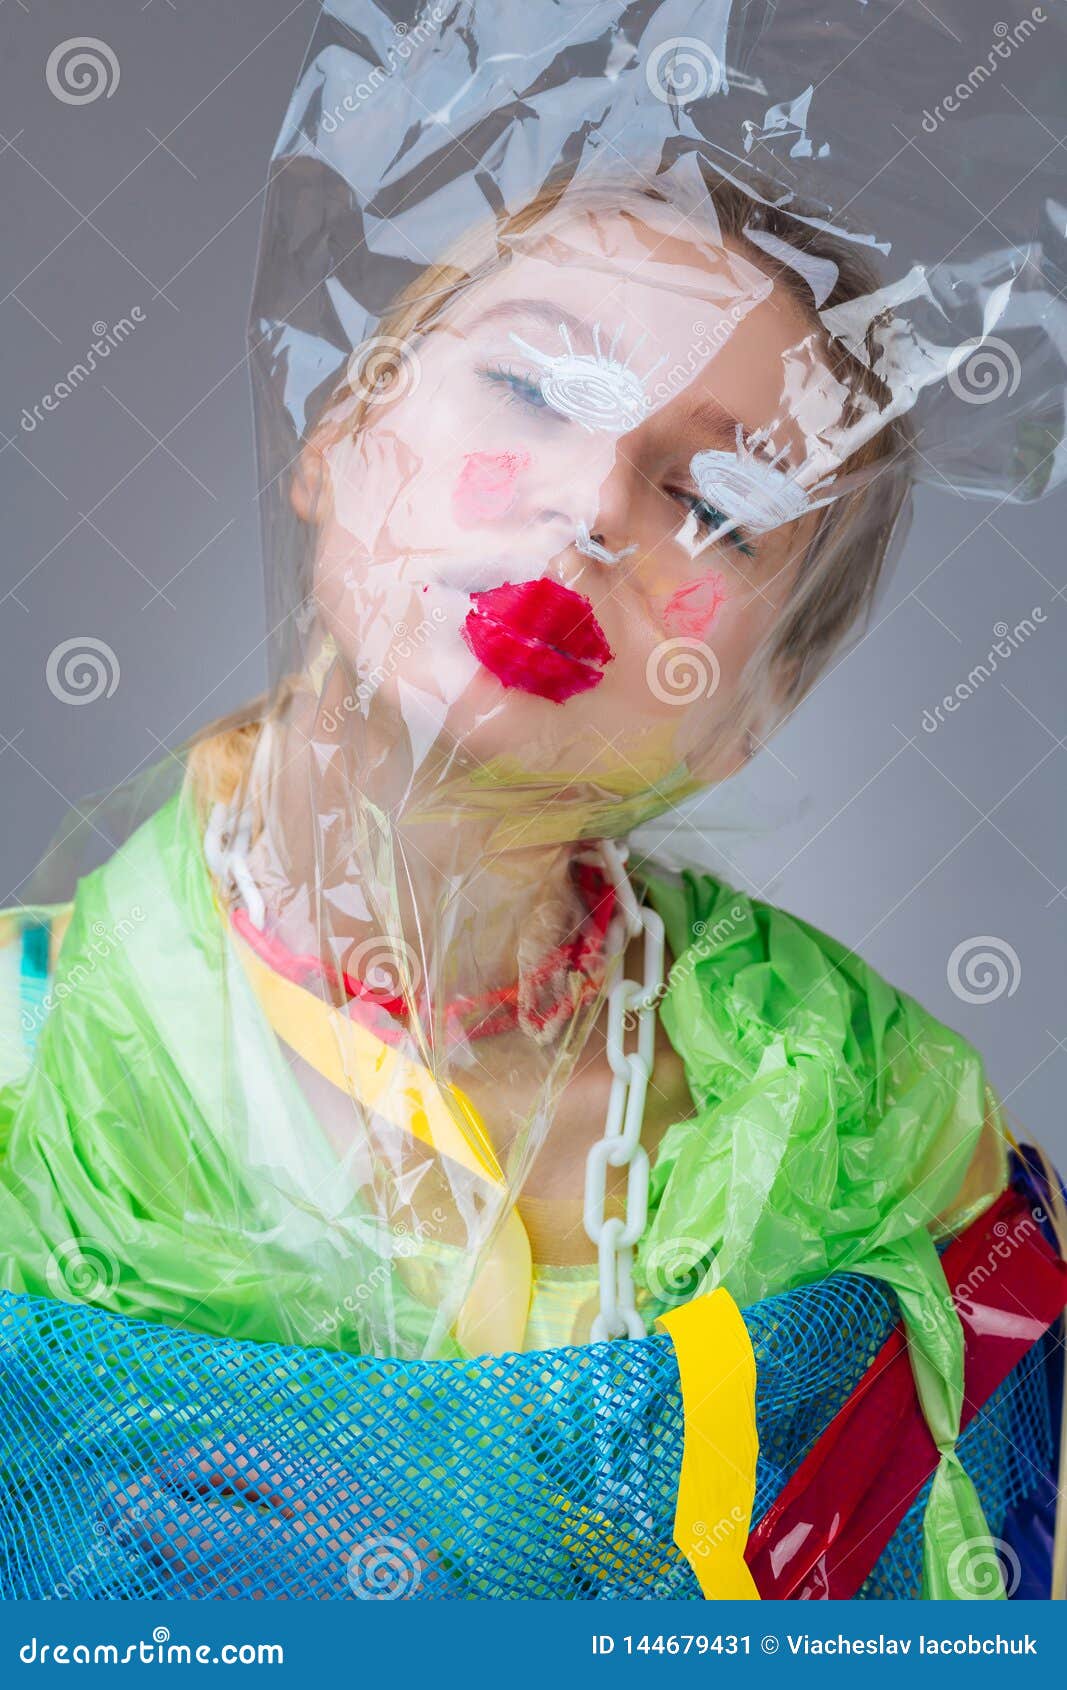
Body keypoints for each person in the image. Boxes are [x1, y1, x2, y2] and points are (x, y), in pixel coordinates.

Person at [0, 168, 1054, 1597]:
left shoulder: (879, 1130)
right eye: (538, 387)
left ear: (762, 703)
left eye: (725, 504)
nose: (598, 506)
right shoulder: (27, 1067)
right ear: (340, 431)